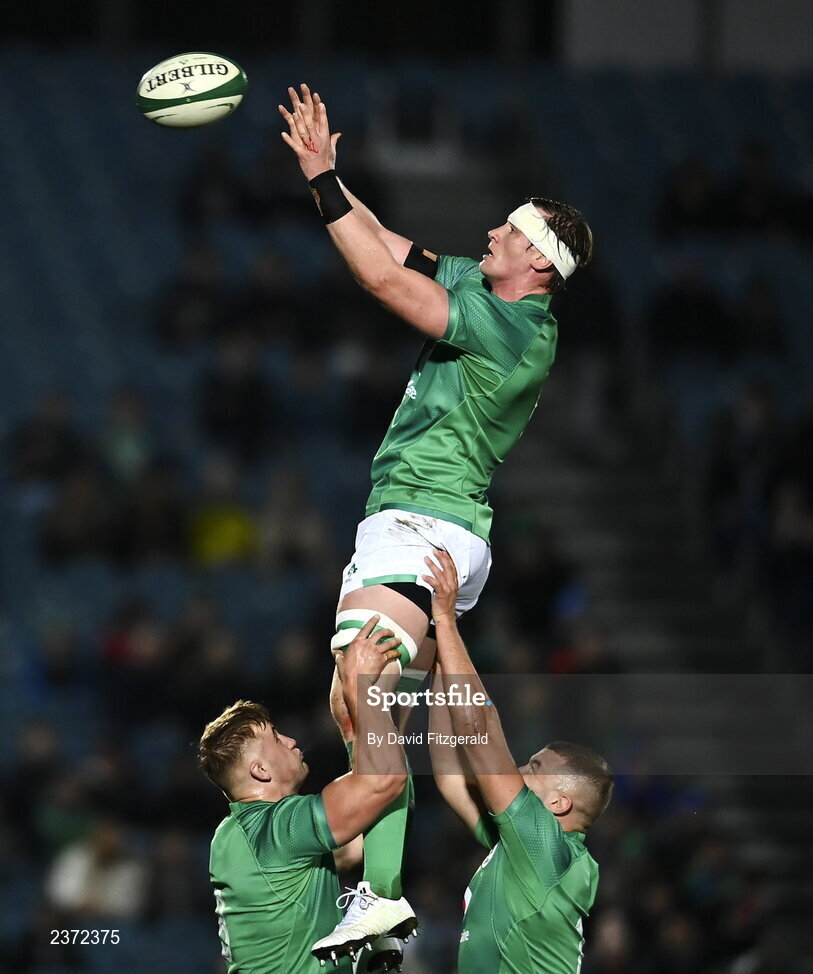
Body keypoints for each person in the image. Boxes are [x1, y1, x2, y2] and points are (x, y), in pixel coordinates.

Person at [279, 83, 594, 951]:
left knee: (362, 688)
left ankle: (378, 894)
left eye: (509, 230)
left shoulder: (512, 328)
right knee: (362, 709)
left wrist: (320, 184)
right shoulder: (489, 290)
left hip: (424, 519)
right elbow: (391, 245)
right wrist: (326, 172)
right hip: (420, 521)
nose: (491, 231)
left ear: (536, 262)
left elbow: (379, 279)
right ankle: (378, 906)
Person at [424, 548, 613, 973]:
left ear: (559, 803)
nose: (519, 772)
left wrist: (447, 621)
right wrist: (438, 648)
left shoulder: (546, 847)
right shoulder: (520, 848)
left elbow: (479, 731)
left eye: (534, 768)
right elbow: (450, 773)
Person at [198, 617, 408, 973]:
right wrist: (361, 693)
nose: (291, 740)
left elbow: (357, 843)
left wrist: (354, 724)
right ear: (260, 770)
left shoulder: (233, 835)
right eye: (276, 738)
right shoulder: (275, 831)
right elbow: (385, 781)